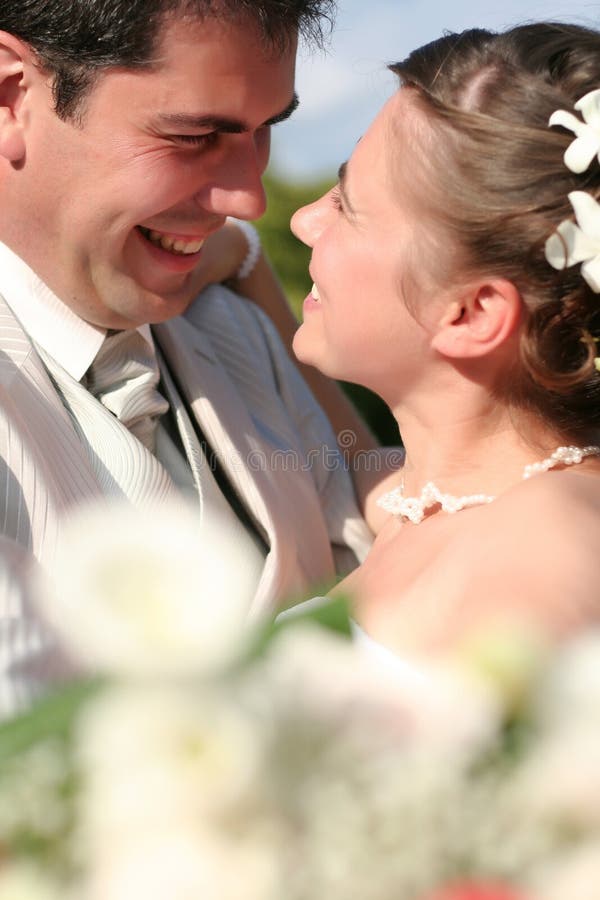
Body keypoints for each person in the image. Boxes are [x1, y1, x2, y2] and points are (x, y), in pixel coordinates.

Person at [0, 0, 383, 710]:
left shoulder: (235, 331)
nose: (248, 198)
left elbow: (374, 526)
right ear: (11, 95)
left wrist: (254, 280)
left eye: (268, 130)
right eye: (197, 135)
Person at [291, 22, 600, 658]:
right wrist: (246, 278)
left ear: (471, 313)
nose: (303, 219)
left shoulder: (551, 557)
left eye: (348, 206)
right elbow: (339, 461)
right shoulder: (423, 501)